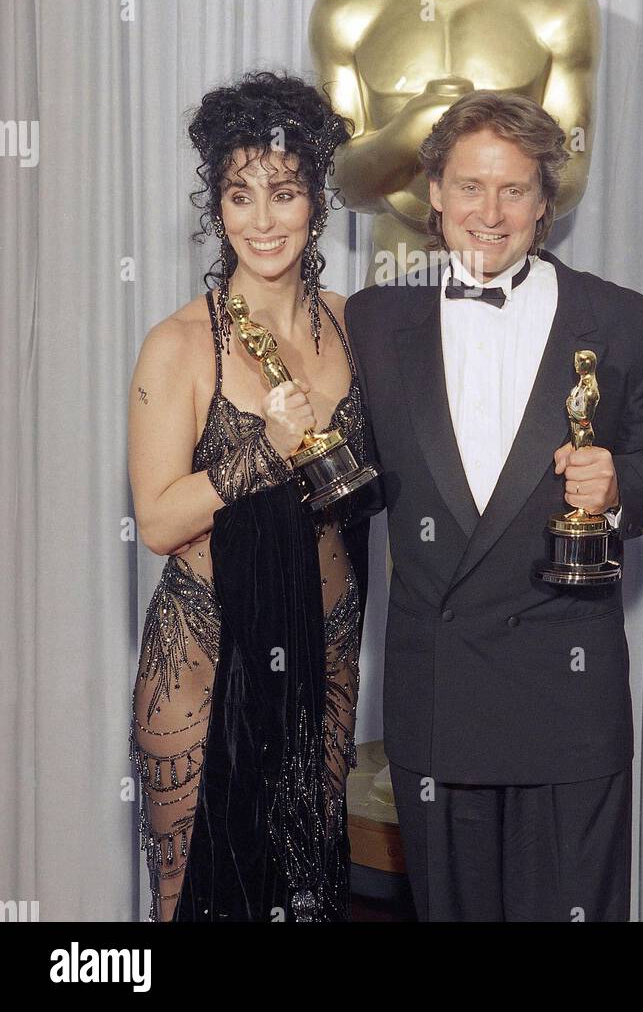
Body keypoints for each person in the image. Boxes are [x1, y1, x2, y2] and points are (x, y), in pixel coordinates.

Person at [344, 90, 643, 923]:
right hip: (439, 686)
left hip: (566, 689)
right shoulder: (372, 322)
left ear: (547, 201)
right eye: (468, 187)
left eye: (512, 191)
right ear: (433, 193)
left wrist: (618, 488)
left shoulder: (627, 323)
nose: (488, 214)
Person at [128, 71, 378, 922]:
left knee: (310, 897)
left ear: (317, 198)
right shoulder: (180, 342)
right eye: (240, 196)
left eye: (284, 192)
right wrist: (260, 455)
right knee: (195, 901)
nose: (262, 220)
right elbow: (158, 519)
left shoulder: (353, 322)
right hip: (206, 658)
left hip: (328, 656)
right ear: (217, 205)